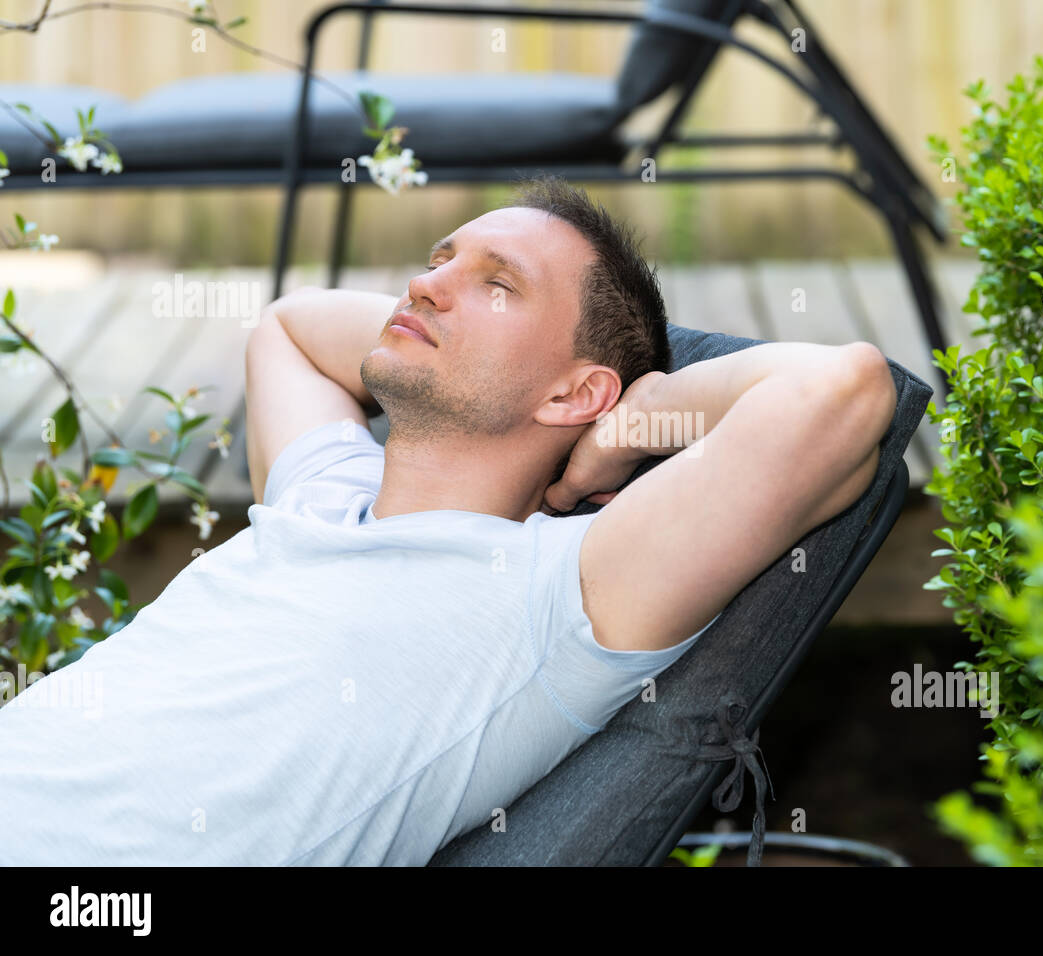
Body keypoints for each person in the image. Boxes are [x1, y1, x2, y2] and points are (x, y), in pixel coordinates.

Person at [0, 175, 896, 865]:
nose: (428, 286)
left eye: (497, 284)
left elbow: (847, 395)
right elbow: (286, 326)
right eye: (439, 260)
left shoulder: (562, 590)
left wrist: (632, 422)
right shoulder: (323, 491)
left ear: (574, 389)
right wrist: (469, 317)